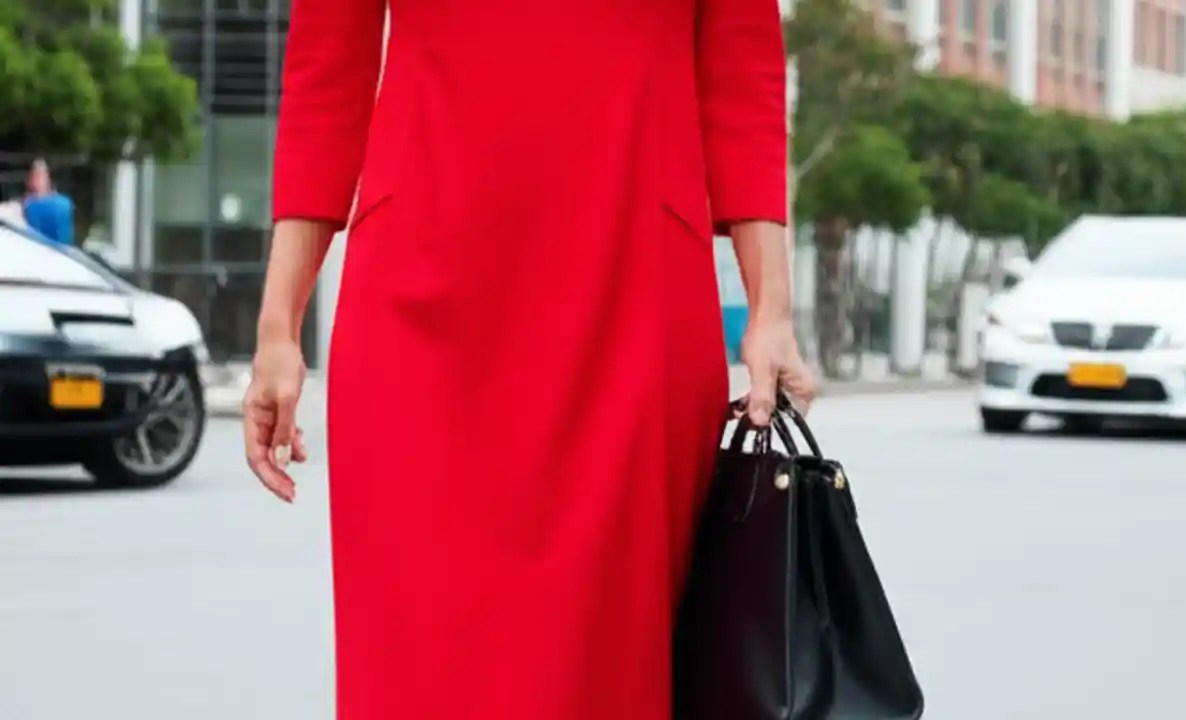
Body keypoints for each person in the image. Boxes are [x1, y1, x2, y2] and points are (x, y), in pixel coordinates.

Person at [242, 1, 818, 718]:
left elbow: (741, 75)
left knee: (608, 672)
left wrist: (772, 309)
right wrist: (277, 328)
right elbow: (327, 81)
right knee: (423, 673)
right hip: (419, 327)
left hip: (633, 306)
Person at [23, 159, 75, 246]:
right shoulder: (26, 204)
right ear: (29, 181)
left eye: (40, 176)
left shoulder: (62, 203)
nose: (37, 181)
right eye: (34, 177)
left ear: (48, 179)